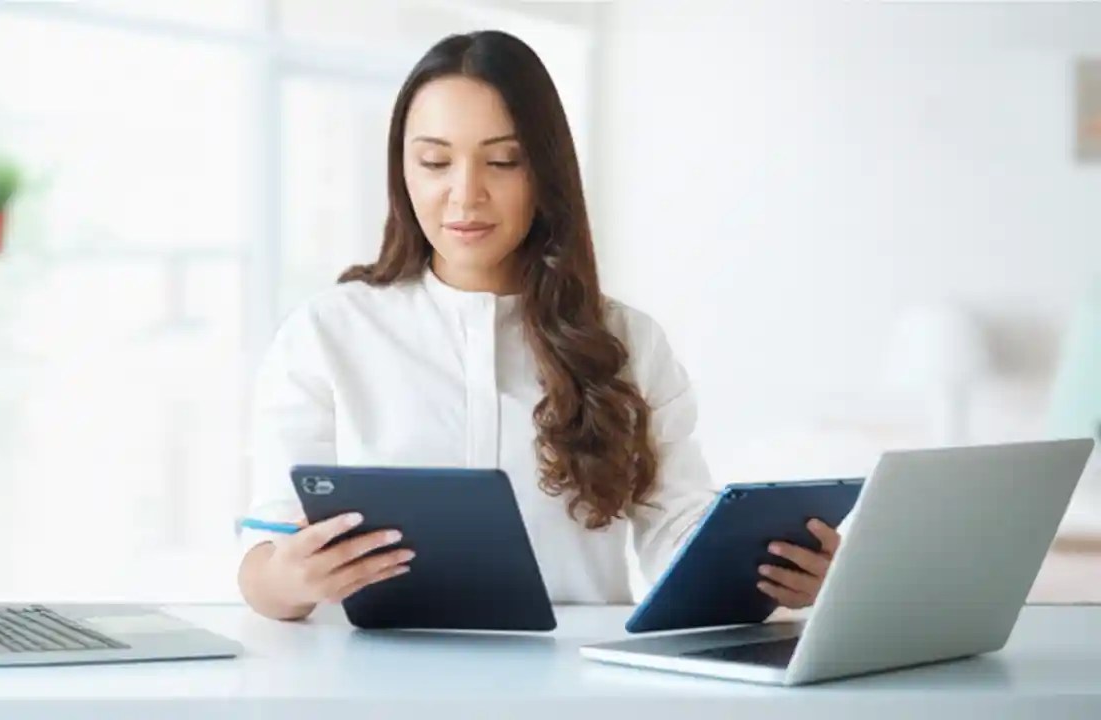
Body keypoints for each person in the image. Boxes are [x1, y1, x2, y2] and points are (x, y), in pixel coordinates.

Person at [236, 30, 841, 622]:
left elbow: (676, 531)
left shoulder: (627, 342)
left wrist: (767, 572)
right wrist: (290, 579)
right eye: (435, 161)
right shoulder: (328, 332)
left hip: (571, 678)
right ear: (403, 172)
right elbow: (264, 560)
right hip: (375, 678)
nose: (465, 194)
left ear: (545, 173)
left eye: (503, 161)